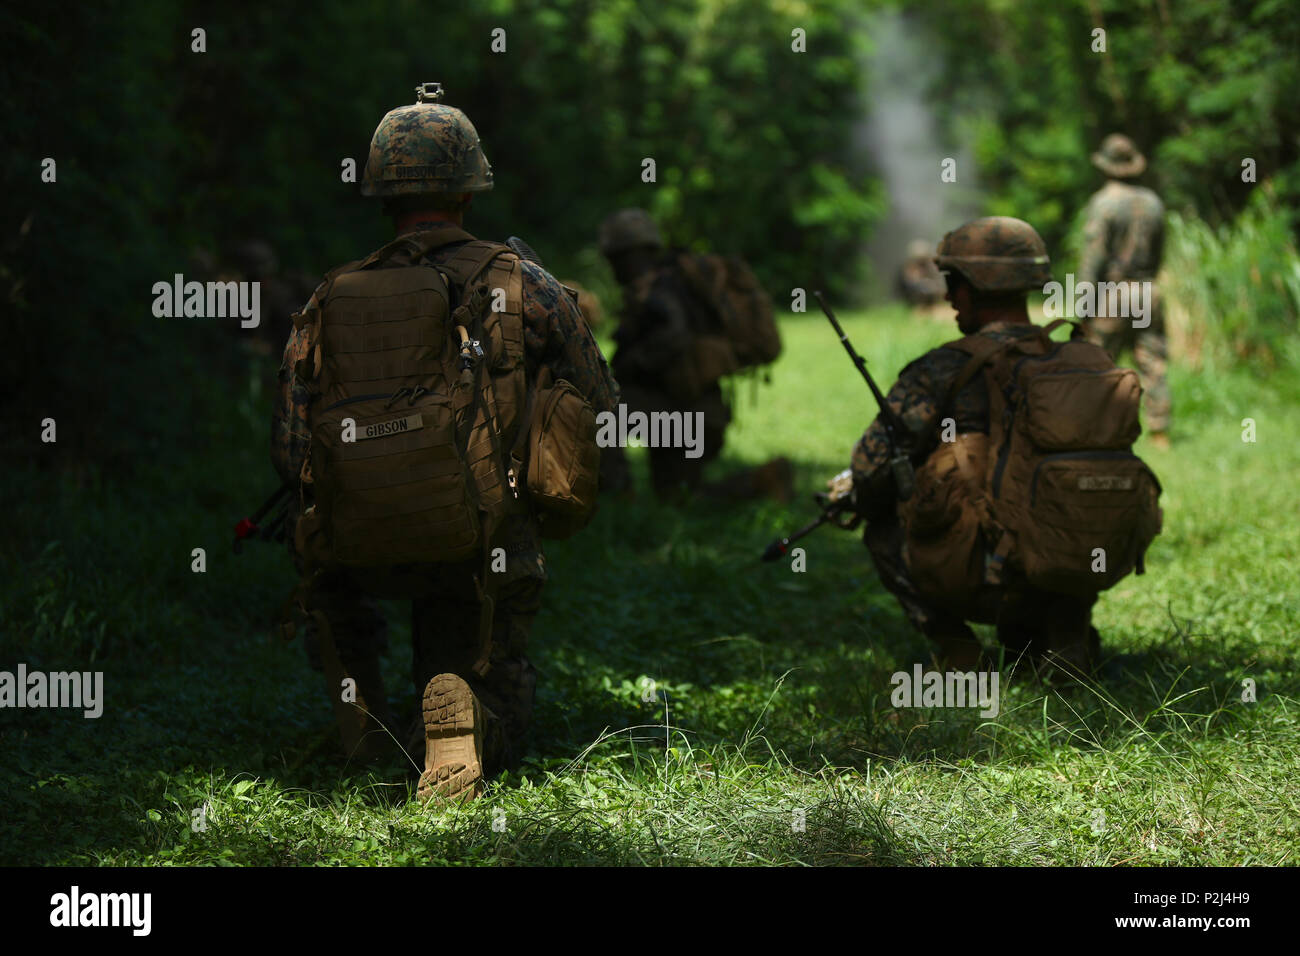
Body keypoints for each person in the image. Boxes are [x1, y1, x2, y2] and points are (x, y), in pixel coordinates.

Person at [270, 83, 618, 801]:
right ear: (468, 190)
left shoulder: (330, 296)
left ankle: (361, 705)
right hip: (484, 542)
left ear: (380, 194)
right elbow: (602, 406)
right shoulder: (528, 285)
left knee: (328, 575)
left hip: (356, 541)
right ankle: (471, 714)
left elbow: (290, 444)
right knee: (487, 645)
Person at [839, 216, 1161, 680]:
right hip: (1080, 562)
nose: (948, 296)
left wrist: (855, 495)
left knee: (883, 525)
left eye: (954, 282)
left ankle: (957, 650)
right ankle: (1063, 630)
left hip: (991, 577)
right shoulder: (1083, 359)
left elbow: (869, 470)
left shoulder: (943, 369)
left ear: (971, 286)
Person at [598, 208, 791, 502]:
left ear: (629, 255)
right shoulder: (677, 282)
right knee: (680, 497)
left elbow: (673, 337)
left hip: (681, 415)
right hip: (702, 417)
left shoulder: (656, 291)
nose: (613, 269)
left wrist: (625, 370)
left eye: (615, 259)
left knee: (600, 409)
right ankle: (762, 480)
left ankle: (617, 495)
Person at [1079, 133, 1171, 449]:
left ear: (1104, 166)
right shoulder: (1153, 203)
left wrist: (1084, 305)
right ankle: (1160, 433)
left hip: (1112, 294)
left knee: (1100, 364)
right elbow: (1160, 253)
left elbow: (1094, 258)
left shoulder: (1103, 203)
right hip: (1148, 290)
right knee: (1153, 361)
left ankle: (1099, 433)